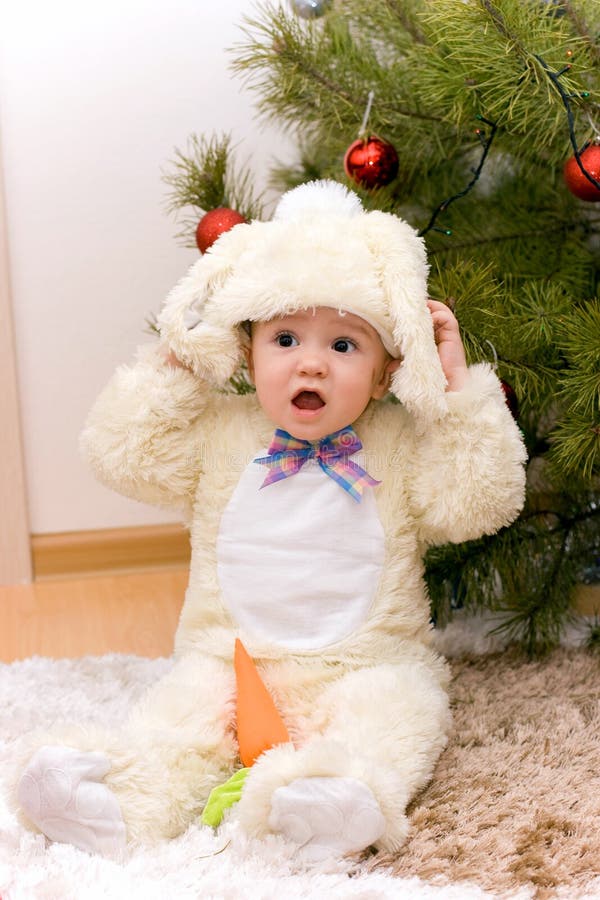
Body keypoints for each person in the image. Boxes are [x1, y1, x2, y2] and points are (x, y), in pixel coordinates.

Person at [15, 180, 526, 861]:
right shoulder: (220, 434)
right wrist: (176, 366)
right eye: (285, 339)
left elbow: (478, 502)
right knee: (180, 720)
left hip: (362, 663)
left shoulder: (399, 442)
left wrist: (458, 390)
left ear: (383, 376)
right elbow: (121, 454)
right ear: (248, 354)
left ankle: (336, 800)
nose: (310, 360)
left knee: (400, 710)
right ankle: (116, 801)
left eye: (344, 346)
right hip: (230, 661)